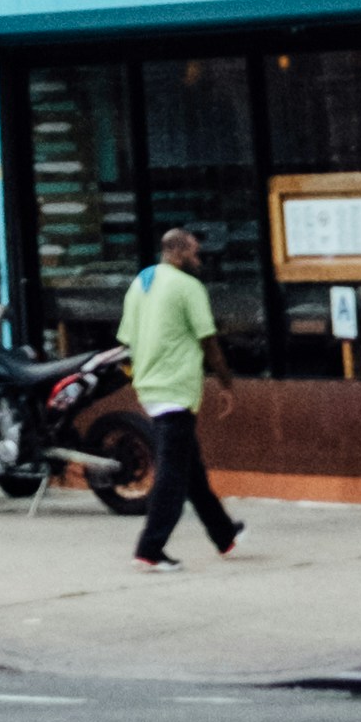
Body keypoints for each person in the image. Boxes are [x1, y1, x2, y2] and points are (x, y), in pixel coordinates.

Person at [122, 220, 245, 566]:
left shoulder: (141, 284)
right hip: (176, 389)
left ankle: (225, 535)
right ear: (176, 252)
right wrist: (226, 384)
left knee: (191, 472)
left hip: (150, 385)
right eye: (194, 252)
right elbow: (209, 341)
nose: (199, 259)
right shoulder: (188, 287)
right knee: (172, 477)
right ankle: (150, 549)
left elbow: (128, 338)